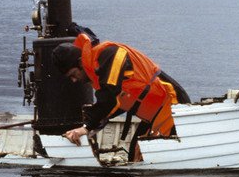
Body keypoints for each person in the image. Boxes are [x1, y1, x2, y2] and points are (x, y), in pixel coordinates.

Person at [51, 31, 190, 148]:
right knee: (135, 157)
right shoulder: (99, 70)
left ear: (81, 62)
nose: (74, 80)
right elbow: (116, 102)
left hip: (171, 105)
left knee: (142, 159)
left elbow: (110, 96)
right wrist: (92, 126)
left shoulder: (111, 55)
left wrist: (86, 128)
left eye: (73, 75)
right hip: (155, 115)